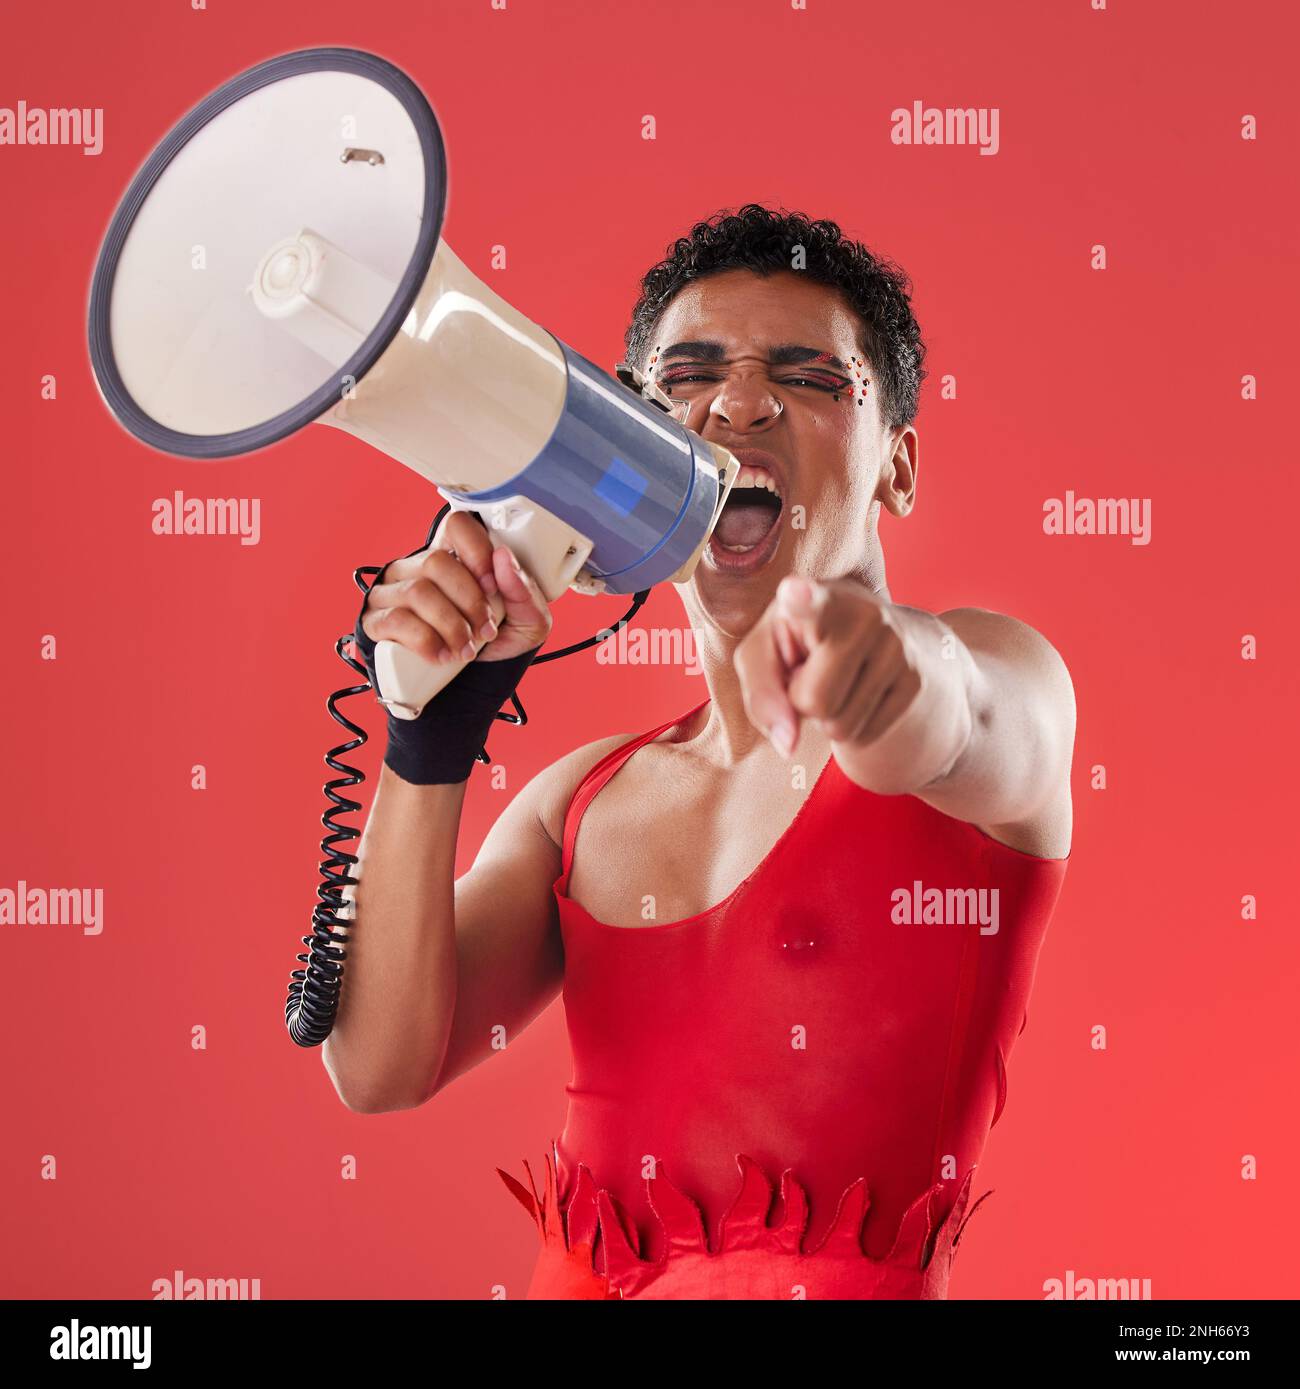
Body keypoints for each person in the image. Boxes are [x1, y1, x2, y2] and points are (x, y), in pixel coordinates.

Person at [325, 204, 1075, 1300]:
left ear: (896, 471)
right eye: (687, 376)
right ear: (624, 438)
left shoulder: (999, 679)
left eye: (811, 377)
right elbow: (380, 1066)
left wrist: (878, 662)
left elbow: (957, 713)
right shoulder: (574, 804)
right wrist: (427, 737)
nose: (738, 401)